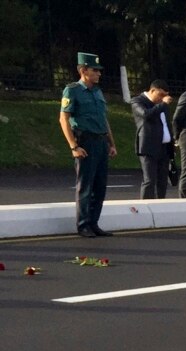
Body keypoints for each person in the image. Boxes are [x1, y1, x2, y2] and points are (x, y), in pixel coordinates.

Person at [60, 51, 117, 237]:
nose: (99, 74)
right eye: (95, 70)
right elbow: (64, 119)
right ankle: (83, 224)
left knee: (100, 186)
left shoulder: (97, 91)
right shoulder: (73, 90)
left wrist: (111, 143)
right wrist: (73, 146)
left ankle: (94, 223)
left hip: (100, 141)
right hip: (85, 140)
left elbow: (104, 119)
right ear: (84, 70)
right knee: (86, 185)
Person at [131, 79, 174, 199]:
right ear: (152, 90)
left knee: (163, 180)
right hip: (148, 146)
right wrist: (163, 104)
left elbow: (166, 123)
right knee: (149, 180)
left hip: (164, 147)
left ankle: (160, 206)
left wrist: (171, 139)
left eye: (165, 96)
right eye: (160, 95)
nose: (162, 98)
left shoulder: (162, 105)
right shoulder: (138, 101)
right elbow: (145, 114)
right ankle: (146, 206)